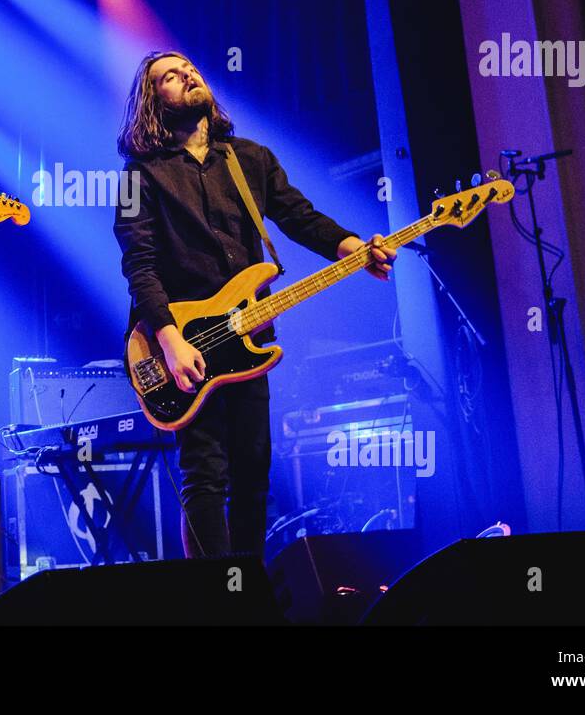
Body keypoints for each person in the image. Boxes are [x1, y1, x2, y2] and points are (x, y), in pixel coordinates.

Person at [113, 51, 395, 559]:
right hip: (181, 343)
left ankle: (247, 595)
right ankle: (215, 600)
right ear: (153, 102)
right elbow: (139, 263)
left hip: (247, 336)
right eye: (170, 77)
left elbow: (299, 217)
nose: (188, 76)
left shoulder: (251, 159)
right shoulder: (138, 177)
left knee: (253, 470)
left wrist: (349, 246)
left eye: (190, 69)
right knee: (204, 474)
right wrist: (169, 338)